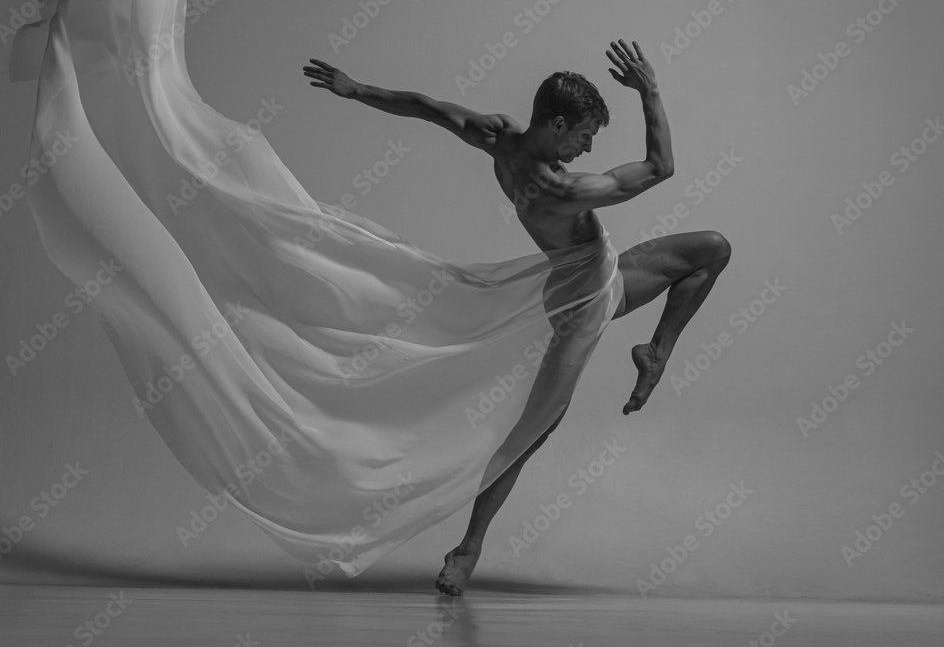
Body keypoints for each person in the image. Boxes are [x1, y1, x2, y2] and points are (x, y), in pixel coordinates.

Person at [304, 43, 731, 594]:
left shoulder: (500, 136)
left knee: (712, 249)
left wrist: (357, 88)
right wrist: (650, 90)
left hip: (604, 274)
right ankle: (468, 548)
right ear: (557, 124)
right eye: (584, 135)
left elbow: (428, 108)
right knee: (533, 431)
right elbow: (661, 168)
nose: (589, 147)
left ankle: (655, 354)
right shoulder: (562, 188)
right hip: (582, 303)